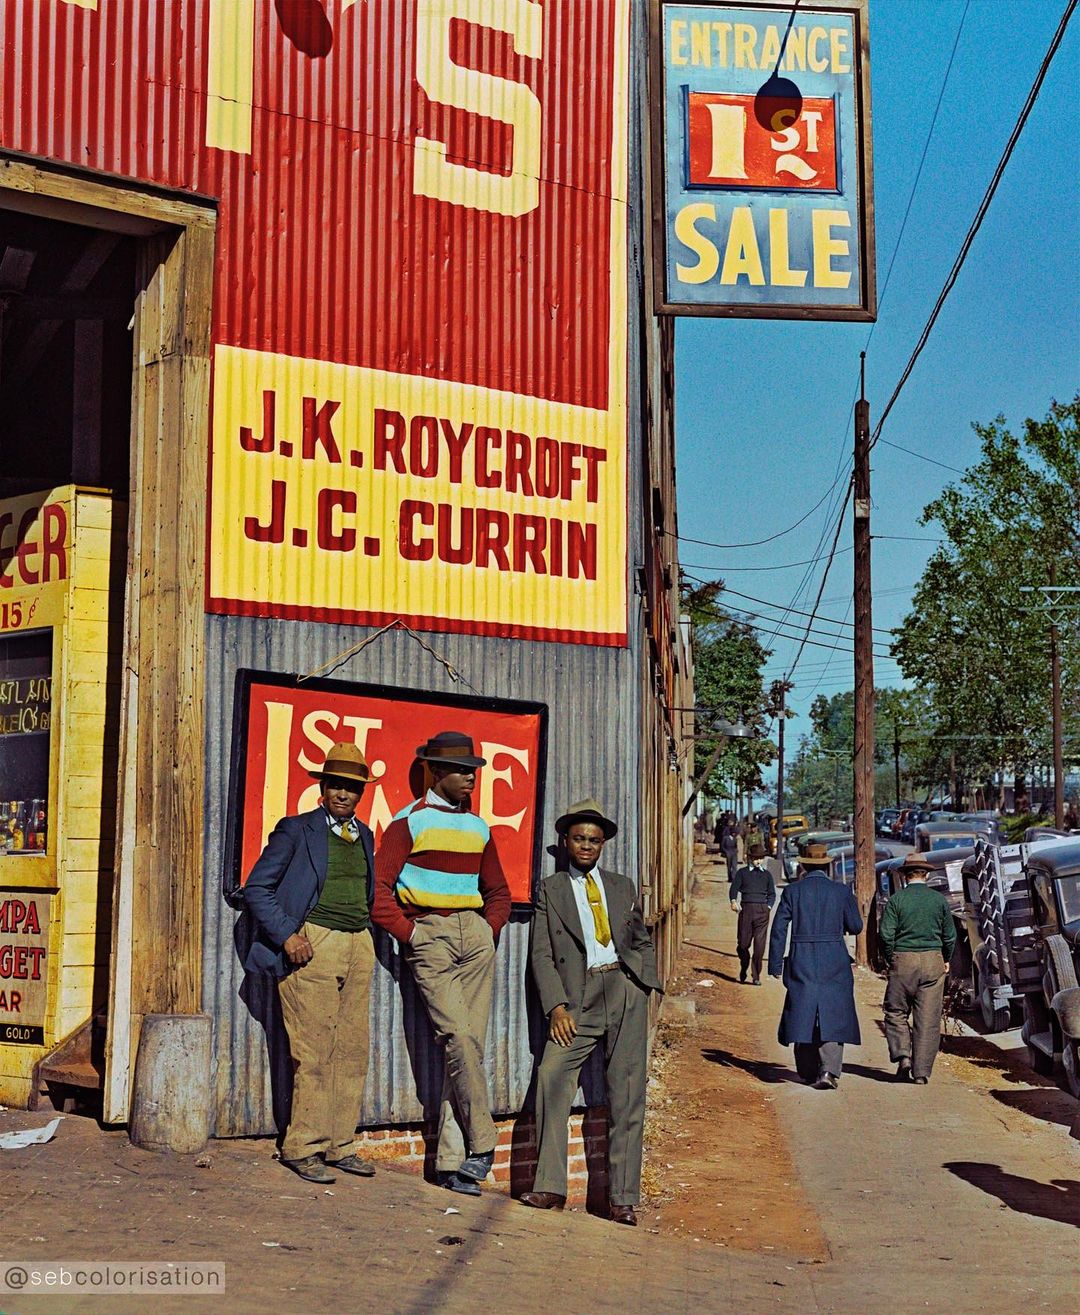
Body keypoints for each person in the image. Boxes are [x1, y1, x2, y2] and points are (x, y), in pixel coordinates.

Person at [372, 731, 511, 1196]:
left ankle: (454, 1164)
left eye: (474, 770)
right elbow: (379, 894)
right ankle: (484, 1143)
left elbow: (498, 891)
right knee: (459, 1037)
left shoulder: (478, 826)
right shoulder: (408, 822)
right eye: (461, 770)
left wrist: (488, 929)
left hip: (474, 937)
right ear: (435, 772)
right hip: (429, 937)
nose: (471, 778)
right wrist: (413, 935)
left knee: (466, 1045)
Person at [243, 741, 378, 1184]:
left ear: (361, 794)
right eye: (335, 784)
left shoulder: (366, 836)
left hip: (358, 944)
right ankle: (303, 1147)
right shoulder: (297, 829)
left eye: (352, 788)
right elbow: (257, 888)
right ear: (322, 786)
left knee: (352, 1050)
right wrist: (287, 935)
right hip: (314, 944)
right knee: (314, 1051)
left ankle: (340, 1145)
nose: (343, 794)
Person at [522, 799, 662, 1226]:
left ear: (604, 845)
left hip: (622, 988)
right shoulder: (552, 889)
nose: (587, 846)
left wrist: (644, 984)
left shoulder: (622, 886)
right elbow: (542, 955)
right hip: (577, 997)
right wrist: (556, 1007)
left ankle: (623, 1198)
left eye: (595, 840)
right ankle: (549, 1186)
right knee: (550, 1076)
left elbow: (640, 938)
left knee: (628, 1092)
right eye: (580, 839)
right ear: (565, 842)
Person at [767, 842, 862, 1088]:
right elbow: (856, 926)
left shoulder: (792, 892)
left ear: (802, 865)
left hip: (802, 956)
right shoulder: (841, 892)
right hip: (834, 957)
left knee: (803, 1009)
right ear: (828, 865)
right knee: (833, 1012)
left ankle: (808, 1071)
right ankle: (829, 1072)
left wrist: (775, 964)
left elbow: (778, 929)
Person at [879, 852, 956, 1084]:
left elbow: (885, 934)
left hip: (903, 959)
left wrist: (890, 957)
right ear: (926, 875)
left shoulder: (896, 900)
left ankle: (903, 1056)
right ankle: (921, 1073)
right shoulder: (939, 900)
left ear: (905, 876)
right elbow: (949, 936)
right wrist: (945, 957)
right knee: (928, 1019)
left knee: (896, 1011)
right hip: (933, 960)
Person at [729, 842, 776, 984]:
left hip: (762, 912)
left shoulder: (767, 875)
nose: (758, 861)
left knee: (760, 947)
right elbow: (733, 889)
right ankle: (744, 966)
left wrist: (768, 907)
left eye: (761, 858)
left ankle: (756, 976)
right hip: (746, 910)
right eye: (756, 858)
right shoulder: (742, 873)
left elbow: (772, 894)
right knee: (743, 944)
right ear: (750, 858)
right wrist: (733, 901)